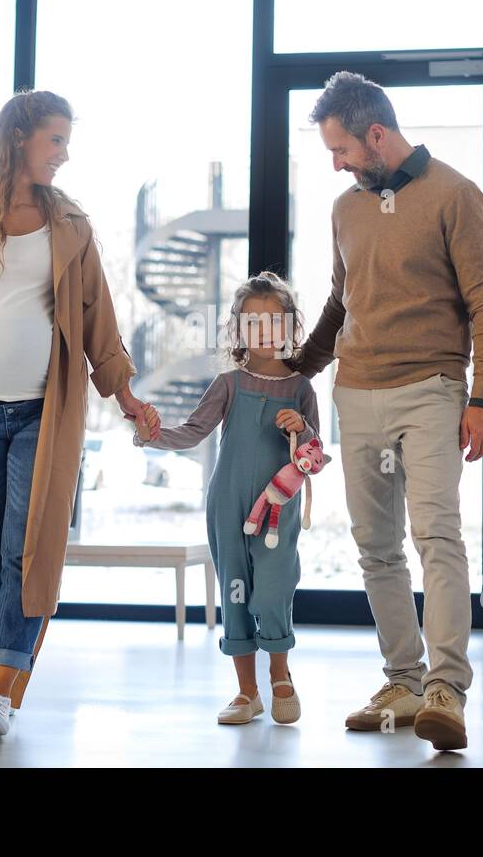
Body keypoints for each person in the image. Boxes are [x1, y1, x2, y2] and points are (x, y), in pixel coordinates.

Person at [0, 88, 159, 736]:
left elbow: (101, 324)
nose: (65, 156)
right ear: (18, 137)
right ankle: (3, 669)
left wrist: (127, 398)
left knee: (29, 548)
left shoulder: (71, 226)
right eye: (56, 141)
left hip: (46, 415)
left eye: (67, 143)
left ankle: (0, 687)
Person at [290, 71, 483, 751]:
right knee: (375, 550)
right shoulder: (345, 210)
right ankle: (404, 682)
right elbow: (341, 301)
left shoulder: (455, 196)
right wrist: (298, 366)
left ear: (377, 134)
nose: (336, 164)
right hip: (356, 392)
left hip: (433, 387)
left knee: (436, 537)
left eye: (343, 150)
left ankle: (447, 687)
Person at [134, 272, 322, 726]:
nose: (263, 331)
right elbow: (193, 431)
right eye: (252, 322)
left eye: (273, 321)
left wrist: (302, 428)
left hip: (280, 508)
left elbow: (315, 456)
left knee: (275, 586)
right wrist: (152, 435)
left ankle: (280, 674)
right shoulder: (228, 383)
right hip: (228, 505)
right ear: (238, 329)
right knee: (234, 592)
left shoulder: (302, 389)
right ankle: (247, 691)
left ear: (291, 326)